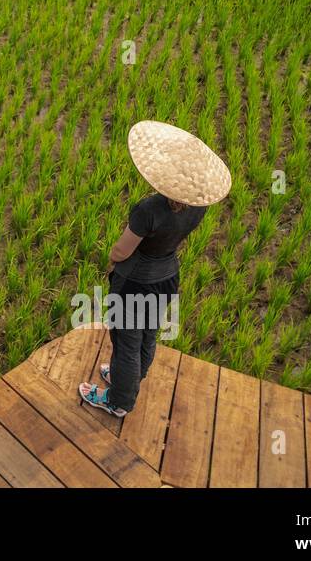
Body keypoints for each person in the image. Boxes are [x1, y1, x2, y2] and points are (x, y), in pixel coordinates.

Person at [79, 120, 231, 418]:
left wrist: (111, 259)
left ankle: (119, 401)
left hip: (134, 282)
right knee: (148, 334)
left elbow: (122, 249)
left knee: (125, 342)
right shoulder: (198, 205)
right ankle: (132, 379)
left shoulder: (149, 209)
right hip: (167, 277)